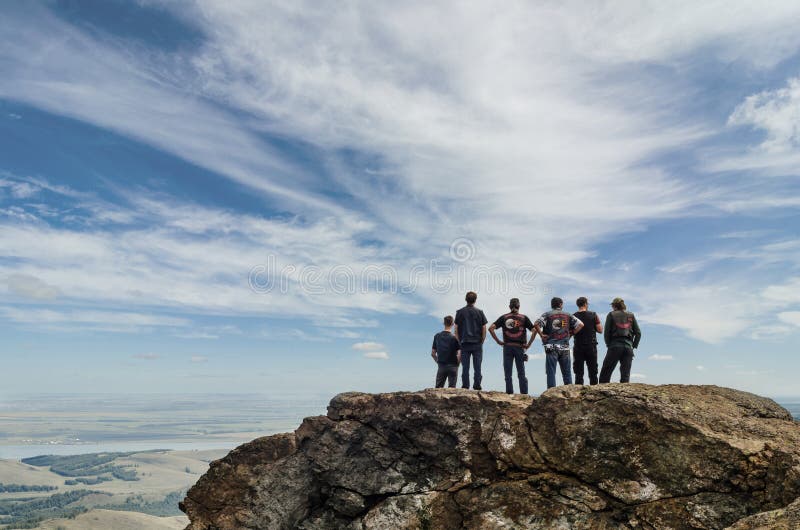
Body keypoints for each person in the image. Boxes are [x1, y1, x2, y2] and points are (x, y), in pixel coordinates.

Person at [489, 298, 537, 394]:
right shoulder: (524, 318)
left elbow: (491, 328)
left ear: (509, 307)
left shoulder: (504, 317)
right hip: (520, 347)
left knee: (508, 373)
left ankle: (509, 394)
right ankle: (524, 394)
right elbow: (534, 330)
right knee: (521, 373)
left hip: (507, 347)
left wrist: (498, 341)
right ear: (519, 306)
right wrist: (529, 344)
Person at [535, 297, 584, 388]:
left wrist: (542, 335)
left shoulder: (547, 314)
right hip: (564, 346)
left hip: (551, 346)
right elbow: (581, 324)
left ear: (552, 305)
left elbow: (536, 324)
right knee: (566, 372)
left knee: (551, 372)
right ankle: (570, 393)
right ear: (561, 304)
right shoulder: (568, 315)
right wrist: (571, 334)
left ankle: (551, 394)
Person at [599, 298, 642, 383]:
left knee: (606, 372)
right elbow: (638, 333)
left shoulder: (611, 315)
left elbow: (606, 333)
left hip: (614, 346)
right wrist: (633, 345)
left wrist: (609, 345)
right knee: (625, 374)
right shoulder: (631, 315)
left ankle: (600, 393)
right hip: (628, 347)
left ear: (614, 305)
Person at [454, 291, 488, 390]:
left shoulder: (460, 312)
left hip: (464, 343)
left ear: (466, 299)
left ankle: (465, 386)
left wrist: (459, 342)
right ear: (475, 300)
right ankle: (477, 385)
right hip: (477, 343)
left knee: (465, 367)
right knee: (477, 367)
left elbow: (456, 329)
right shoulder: (480, 312)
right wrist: (482, 341)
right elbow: (484, 328)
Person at [573, 296, 603, 385]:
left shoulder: (573, 316)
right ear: (586, 304)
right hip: (591, 345)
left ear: (577, 305)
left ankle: (577, 394)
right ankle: (594, 394)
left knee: (578, 372)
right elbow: (600, 330)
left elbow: (571, 331)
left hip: (578, 346)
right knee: (593, 371)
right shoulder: (593, 314)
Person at [431, 315, 461, 388]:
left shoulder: (437, 336)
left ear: (443, 323)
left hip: (441, 365)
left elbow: (433, 353)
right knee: (452, 391)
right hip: (453, 365)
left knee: (437, 390)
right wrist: (458, 364)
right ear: (453, 324)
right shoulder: (455, 338)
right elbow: (459, 354)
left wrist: (438, 361)